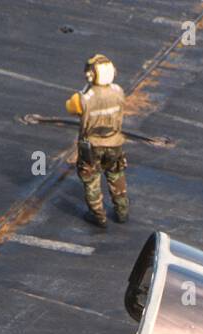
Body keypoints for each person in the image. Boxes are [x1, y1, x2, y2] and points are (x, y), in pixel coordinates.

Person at [65, 53, 128, 227]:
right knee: (116, 175)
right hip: (115, 143)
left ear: (91, 74)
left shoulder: (83, 97)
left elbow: (70, 107)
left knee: (91, 179)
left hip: (91, 146)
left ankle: (98, 216)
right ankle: (122, 212)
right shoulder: (119, 91)